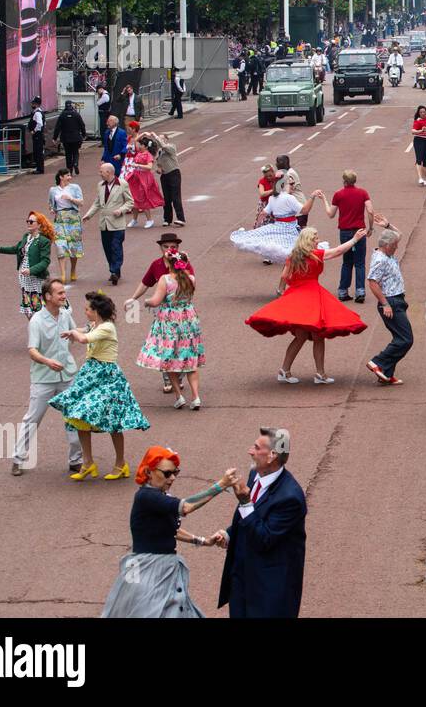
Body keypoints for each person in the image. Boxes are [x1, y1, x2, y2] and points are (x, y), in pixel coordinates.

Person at [100, 448, 236, 618]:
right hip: (149, 567)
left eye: (175, 473)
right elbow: (187, 507)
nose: (172, 478)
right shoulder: (147, 496)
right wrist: (220, 485)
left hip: (153, 565)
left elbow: (170, 530)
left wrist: (202, 541)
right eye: (167, 473)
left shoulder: (158, 496)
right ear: (149, 472)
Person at [245, 227, 369, 384]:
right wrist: (355, 239)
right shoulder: (316, 255)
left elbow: (284, 275)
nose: (318, 241)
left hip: (297, 297)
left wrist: (282, 291)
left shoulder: (293, 256)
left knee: (301, 336)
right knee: (317, 336)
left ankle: (286, 370)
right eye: (315, 238)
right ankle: (319, 374)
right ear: (309, 240)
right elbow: (338, 251)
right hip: (312, 297)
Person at [49, 290, 150, 481]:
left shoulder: (107, 328)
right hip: (91, 373)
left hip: (107, 375)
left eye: (87, 309)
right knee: (77, 413)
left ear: (96, 311)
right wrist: (70, 331)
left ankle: (121, 464)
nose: (85, 311)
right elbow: (83, 331)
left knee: (113, 420)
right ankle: (88, 463)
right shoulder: (95, 324)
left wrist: (72, 333)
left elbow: (85, 338)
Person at [210, 427, 308, 619]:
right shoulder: (255, 475)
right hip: (242, 581)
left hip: (269, 592)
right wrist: (230, 534)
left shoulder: (291, 498)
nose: (250, 451)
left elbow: (265, 537)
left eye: (256, 448)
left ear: (271, 456)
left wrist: (245, 502)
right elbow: (248, 518)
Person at [13, 278, 83, 476]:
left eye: (63, 292)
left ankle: (75, 460)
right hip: (43, 377)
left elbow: (76, 332)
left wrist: (93, 329)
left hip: (67, 374)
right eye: (59, 293)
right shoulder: (36, 320)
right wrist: (47, 361)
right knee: (33, 418)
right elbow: (32, 350)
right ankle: (18, 458)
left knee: (74, 418)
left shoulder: (66, 314)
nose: (63, 296)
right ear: (48, 297)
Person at [134, 251, 205, 409]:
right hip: (188, 320)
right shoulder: (191, 279)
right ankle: (196, 397)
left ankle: (179, 396)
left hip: (170, 322)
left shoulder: (165, 279)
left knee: (170, 358)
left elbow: (155, 301)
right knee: (189, 358)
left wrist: (146, 302)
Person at [364, 222, 411, 386]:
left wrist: (389, 225)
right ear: (387, 245)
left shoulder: (387, 254)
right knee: (406, 339)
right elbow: (372, 282)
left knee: (400, 338)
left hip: (397, 300)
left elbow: (399, 235)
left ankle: (386, 372)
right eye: (395, 245)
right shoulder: (380, 260)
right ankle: (378, 362)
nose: (397, 247)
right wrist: (385, 304)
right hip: (391, 301)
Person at [318, 171, 374, 302]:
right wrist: (370, 228)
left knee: (347, 262)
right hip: (359, 231)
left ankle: (343, 291)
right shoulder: (363, 193)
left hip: (345, 232)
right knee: (360, 263)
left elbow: (330, 214)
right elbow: (370, 210)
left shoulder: (338, 194)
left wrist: (325, 200)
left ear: (344, 181)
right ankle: (360, 291)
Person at [229, 183, 315, 265]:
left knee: (273, 240)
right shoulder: (289, 198)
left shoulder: (272, 197)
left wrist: (257, 227)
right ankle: (295, 260)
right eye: (290, 184)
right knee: (293, 244)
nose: (293, 186)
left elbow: (263, 213)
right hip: (290, 227)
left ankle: (270, 257)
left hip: (278, 225)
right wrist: (312, 197)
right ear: (283, 186)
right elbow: (305, 210)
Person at [0, 211, 54, 317]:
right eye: (27, 221)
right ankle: (35, 330)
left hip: (36, 279)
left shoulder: (43, 241)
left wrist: (31, 270)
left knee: (39, 309)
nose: (28, 223)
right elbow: (16, 249)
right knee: (28, 310)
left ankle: (43, 329)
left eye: (31, 221)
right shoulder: (26, 237)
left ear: (39, 224)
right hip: (24, 278)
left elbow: (45, 262)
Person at [83, 162, 134, 284]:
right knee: (107, 248)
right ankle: (115, 271)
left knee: (116, 247)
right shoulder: (100, 185)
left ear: (109, 172)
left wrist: (121, 210)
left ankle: (114, 270)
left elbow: (130, 202)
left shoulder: (122, 184)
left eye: (101, 171)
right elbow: (97, 203)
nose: (99, 174)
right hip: (104, 223)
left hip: (117, 223)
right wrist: (88, 215)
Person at [139, 131, 185, 228]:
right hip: (165, 175)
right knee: (166, 198)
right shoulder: (159, 152)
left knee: (175, 197)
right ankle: (167, 219)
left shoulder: (171, 147)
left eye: (161, 138)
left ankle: (181, 218)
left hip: (173, 173)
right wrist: (159, 169)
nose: (159, 140)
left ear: (166, 139)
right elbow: (159, 163)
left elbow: (164, 146)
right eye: (158, 138)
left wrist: (156, 136)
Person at [124, 136, 164, 229]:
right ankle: (134, 219)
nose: (139, 146)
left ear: (146, 146)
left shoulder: (148, 155)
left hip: (144, 178)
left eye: (141, 145)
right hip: (135, 178)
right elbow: (135, 140)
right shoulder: (139, 153)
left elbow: (149, 167)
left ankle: (149, 219)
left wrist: (138, 165)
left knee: (144, 198)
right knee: (133, 198)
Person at [53, 101, 86, 174]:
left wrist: (54, 138)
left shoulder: (62, 115)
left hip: (66, 138)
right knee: (75, 152)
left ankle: (69, 170)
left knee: (68, 153)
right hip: (76, 137)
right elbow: (82, 125)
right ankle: (75, 163)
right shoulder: (76, 114)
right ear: (71, 106)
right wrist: (84, 135)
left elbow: (57, 127)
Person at [410, 105, 426, 185]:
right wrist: (421, 130)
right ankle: (420, 178)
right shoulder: (417, 120)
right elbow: (413, 131)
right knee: (419, 159)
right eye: (421, 112)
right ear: (418, 113)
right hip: (419, 140)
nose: (422, 113)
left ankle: (424, 179)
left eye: (424, 112)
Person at [28, 96, 46, 174]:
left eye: (33, 103)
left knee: (38, 152)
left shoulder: (37, 113)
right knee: (38, 151)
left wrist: (34, 131)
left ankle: (39, 169)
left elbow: (40, 124)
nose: (32, 104)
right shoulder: (39, 112)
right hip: (39, 135)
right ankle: (39, 167)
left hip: (37, 135)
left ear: (36, 104)